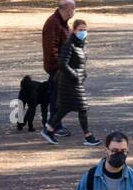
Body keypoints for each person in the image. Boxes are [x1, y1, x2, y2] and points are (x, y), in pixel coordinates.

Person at [41, 18, 101, 146]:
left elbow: (81, 64)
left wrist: (83, 75)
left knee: (64, 108)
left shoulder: (81, 45)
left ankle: (49, 130)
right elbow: (63, 64)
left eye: (85, 30)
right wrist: (75, 75)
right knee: (82, 108)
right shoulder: (69, 45)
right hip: (69, 82)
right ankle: (88, 136)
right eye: (80, 30)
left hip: (76, 81)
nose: (83, 32)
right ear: (74, 30)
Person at [41, 0, 76, 133]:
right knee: (56, 98)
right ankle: (55, 126)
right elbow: (52, 48)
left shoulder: (62, 22)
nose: (74, 12)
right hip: (57, 68)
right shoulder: (53, 23)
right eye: (73, 9)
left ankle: (55, 123)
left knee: (59, 97)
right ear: (68, 9)